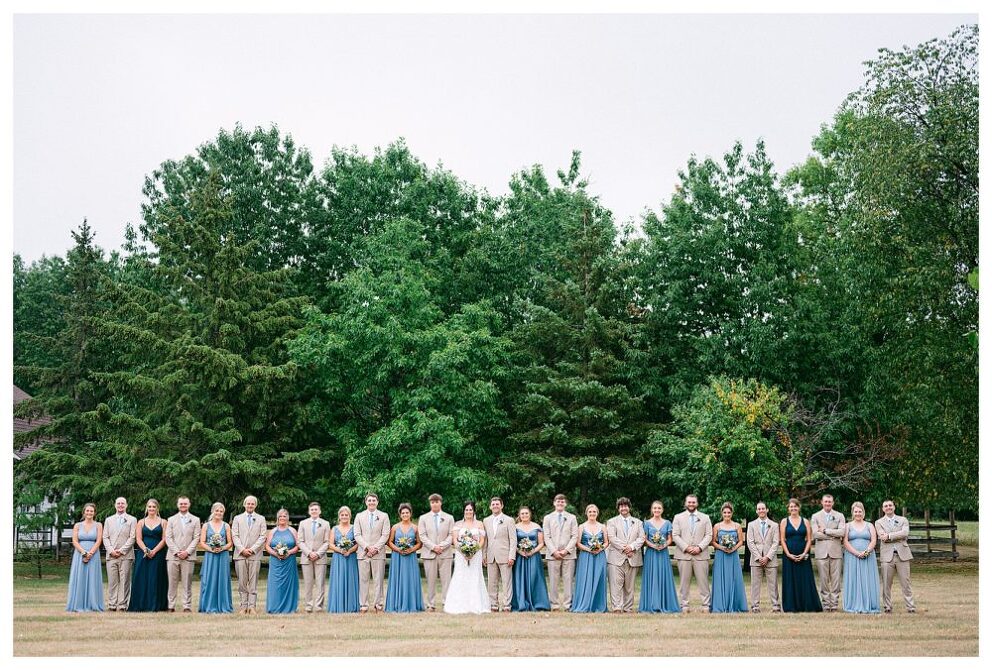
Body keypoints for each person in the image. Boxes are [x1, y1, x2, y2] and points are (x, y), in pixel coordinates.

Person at [444, 500, 489, 614]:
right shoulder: (458, 524)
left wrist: (473, 551)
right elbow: (455, 540)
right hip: (461, 555)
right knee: (461, 576)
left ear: (474, 511)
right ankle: (460, 604)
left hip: (476, 554)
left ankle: (476, 604)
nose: (468, 512)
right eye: (466, 509)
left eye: (470, 510)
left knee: (475, 576)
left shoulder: (479, 524)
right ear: (464, 511)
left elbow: (482, 540)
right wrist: (463, 552)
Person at [671, 494, 712, 613]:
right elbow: (675, 535)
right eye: (689, 502)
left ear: (697, 503)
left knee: (703, 582)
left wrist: (699, 547)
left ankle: (706, 606)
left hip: (701, 555)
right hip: (684, 555)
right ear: (685, 503)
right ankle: (684, 605)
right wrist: (686, 547)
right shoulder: (678, 517)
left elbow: (709, 535)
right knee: (684, 582)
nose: (691, 504)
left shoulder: (705, 517)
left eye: (693, 502)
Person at [780, 498, 822, 613]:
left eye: (795, 506)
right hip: (789, 555)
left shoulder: (805, 521)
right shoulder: (784, 521)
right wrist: (788, 554)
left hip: (803, 554)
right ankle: (791, 605)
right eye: (791, 506)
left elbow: (809, 539)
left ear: (799, 507)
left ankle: (807, 604)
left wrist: (804, 553)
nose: (793, 508)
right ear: (788, 508)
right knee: (790, 580)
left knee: (804, 579)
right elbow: (782, 540)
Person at [875, 500, 916, 614]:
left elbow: (905, 533)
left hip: (903, 555)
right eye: (886, 506)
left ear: (894, 507)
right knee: (886, 583)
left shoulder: (903, 520)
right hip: (887, 556)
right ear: (883, 509)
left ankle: (910, 607)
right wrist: (897, 536)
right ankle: (887, 607)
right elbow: (882, 537)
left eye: (890, 505)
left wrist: (889, 535)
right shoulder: (878, 522)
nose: (888, 507)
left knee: (906, 582)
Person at [639, 500, 680, 613]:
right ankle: (651, 604)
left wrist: (664, 545)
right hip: (651, 554)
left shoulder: (667, 523)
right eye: (655, 508)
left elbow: (670, 539)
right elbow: (644, 539)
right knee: (651, 575)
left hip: (663, 553)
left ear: (662, 510)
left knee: (663, 575)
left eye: (659, 508)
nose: (657, 510)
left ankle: (664, 603)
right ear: (652, 510)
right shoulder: (647, 523)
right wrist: (652, 545)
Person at [128, 498, 169, 612]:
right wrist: (146, 550)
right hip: (143, 554)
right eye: (149, 506)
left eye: (154, 507)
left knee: (156, 578)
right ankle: (140, 604)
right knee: (142, 578)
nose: (151, 509)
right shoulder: (141, 522)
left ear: (157, 508)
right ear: (147, 508)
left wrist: (154, 551)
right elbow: (138, 539)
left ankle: (156, 604)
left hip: (158, 554)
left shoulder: (163, 522)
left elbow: (164, 539)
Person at [606, 496, 644, 613]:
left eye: (626, 506)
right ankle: (617, 607)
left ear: (629, 507)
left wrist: (632, 547)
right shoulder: (611, 522)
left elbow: (641, 538)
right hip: (616, 558)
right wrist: (625, 548)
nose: (624, 508)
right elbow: (612, 538)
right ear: (618, 508)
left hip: (633, 557)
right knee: (615, 585)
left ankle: (628, 608)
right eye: (621, 506)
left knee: (629, 586)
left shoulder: (638, 522)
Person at [418, 493, 455, 612]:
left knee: (446, 580)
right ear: (430, 504)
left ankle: (446, 603)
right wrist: (433, 547)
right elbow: (422, 536)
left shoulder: (449, 518)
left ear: (440, 503)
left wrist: (441, 546)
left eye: (436, 502)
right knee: (430, 580)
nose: (434, 504)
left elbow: (451, 535)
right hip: (429, 554)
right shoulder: (423, 518)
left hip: (445, 553)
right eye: (432, 502)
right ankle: (431, 604)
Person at [385, 502, 424, 612]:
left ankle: (411, 604)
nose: (405, 514)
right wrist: (398, 549)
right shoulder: (395, 527)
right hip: (397, 557)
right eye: (403, 513)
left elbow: (419, 543)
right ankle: (396, 604)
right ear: (400, 514)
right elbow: (389, 542)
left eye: (407, 512)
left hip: (410, 557)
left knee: (410, 579)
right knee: (397, 578)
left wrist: (411, 549)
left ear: (410, 514)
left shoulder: (415, 528)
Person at [842, 501, 880, 614]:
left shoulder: (869, 525)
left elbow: (874, 540)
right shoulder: (847, 526)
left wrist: (866, 552)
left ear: (863, 512)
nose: (858, 513)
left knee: (867, 579)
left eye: (860, 511)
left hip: (868, 557)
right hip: (852, 556)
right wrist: (856, 553)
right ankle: (853, 604)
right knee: (853, 579)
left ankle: (869, 604)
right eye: (856, 511)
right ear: (852, 513)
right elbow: (845, 541)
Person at [231, 495, 267, 614]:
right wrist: (242, 549)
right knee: (242, 582)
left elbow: (263, 536)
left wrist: (252, 549)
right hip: (240, 555)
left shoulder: (261, 519)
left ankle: (252, 606)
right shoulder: (237, 518)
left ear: (255, 505)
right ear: (244, 504)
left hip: (254, 555)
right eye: (248, 503)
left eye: (252, 504)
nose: (250, 505)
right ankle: (243, 606)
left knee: (253, 581)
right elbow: (235, 535)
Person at [542, 493, 578, 611]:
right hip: (553, 555)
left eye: (562, 501)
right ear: (554, 503)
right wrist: (554, 551)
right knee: (553, 581)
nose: (560, 503)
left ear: (565, 504)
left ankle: (568, 605)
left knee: (568, 581)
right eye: (558, 501)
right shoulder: (548, 518)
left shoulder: (572, 517)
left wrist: (566, 550)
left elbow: (574, 536)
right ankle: (555, 605)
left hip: (569, 555)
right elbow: (546, 536)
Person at [710, 502, 748, 613]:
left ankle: (735, 604)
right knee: (720, 579)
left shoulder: (737, 526)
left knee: (734, 578)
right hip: (720, 556)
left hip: (733, 556)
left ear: (732, 513)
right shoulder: (717, 526)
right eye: (725, 512)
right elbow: (713, 542)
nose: (727, 514)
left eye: (729, 512)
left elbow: (741, 541)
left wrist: (733, 548)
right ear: (722, 513)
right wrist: (722, 548)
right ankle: (720, 605)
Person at [355, 492, 390, 613]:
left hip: (378, 553)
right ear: (366, 502)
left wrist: (375, 548)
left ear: (377, 502)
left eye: (374, 500)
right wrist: (367, 547)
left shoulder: (384, 516)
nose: (371, 502)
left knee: (378, 580)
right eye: (369, 500)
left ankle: (378, 604)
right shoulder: (359, 516)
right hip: (363, 553)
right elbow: (357, 534)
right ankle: (363, 605)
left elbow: (385, 534)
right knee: (363, 580)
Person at [66, 502, 104, 612]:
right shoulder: (77, 525)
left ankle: (93, 604)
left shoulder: (98, 525)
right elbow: (74, 541)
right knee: (79, 578)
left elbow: (99, 540)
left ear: (94, 513)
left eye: (91, 511)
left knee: (92, 578)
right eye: (87, 510)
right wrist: (84, 553)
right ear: (84, 512)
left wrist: (90, 553)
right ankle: (78, 604)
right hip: (79, 554)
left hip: (94, 554)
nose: (89, 513)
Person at [811, 493, 846, 612]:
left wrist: (825, 531)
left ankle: (834, 604)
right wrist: (833, 534)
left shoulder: (839, 516)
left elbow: (842, 532)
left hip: (836, 552)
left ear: (833, 503)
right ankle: (826, 604)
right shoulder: (815, 516)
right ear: (822, 502)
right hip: (821, 553)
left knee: (836, 580)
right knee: (824, 580)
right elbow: (815, 534)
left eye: (829, 501)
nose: (827, 503)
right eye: (825, 501)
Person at [165, 495, 200, 613]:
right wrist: (177, 552)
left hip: (188, 557)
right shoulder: (171, 519)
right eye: (181, 503)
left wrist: (187, 552)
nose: (183, 505)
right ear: (177, 505)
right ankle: (171, 605)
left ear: (189, 505)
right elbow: (168, 537)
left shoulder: (195, 520)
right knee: (172, 582)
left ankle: (187, 606)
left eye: (185, 503)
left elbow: (196, 538)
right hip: (173, 556)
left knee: (187, 582)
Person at [511, 506, 550, 611]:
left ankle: (538, 603)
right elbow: (512, 542)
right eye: (522, 514)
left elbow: (541, 543)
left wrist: (533, 551)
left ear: (530, 514)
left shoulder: (536, 526)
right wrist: (520, 551)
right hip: (520, 557)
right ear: (519, 515)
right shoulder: (515, 527)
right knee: (520, 579)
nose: (524, 515)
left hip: (534, 557)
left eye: (526, 513)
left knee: (534, 578)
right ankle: (520, 603)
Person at [572, 503, 609, 613]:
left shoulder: (603, 526)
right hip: (586, 556)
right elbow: (578, 543)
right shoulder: (581, 527)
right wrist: (589, 549)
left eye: (594, 512)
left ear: (597, 513)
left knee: (598, 578)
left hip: (600, 556)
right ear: (586, 513)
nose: (592, 513)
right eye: (590, 512)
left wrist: (600, 548)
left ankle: (598, 605)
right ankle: (584, 603)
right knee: (586, 579)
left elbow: (606, 542)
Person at [198, 502, 234, 613]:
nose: (219, 513)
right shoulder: (206, 526)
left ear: (223, 513)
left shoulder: (226, 526)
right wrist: (211, 549)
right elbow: (202, 542)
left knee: (223, 579)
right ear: (212, 511)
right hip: (210, 556)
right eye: (217, 510)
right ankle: (209, 605)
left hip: (223, 556)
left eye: (221, 511)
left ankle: (223, 606)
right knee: (209, 579)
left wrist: (222, 548)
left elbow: (230, 543)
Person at [483, 496, 517, 612]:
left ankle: (507, 605)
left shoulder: (509, 520)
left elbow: (513, 540)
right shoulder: (486, 520)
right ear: (490, 507)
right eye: (493, 504)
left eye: (497, 504)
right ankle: (493, 605)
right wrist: (484, 555)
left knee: (507, 582)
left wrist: (511, 556)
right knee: (492, 582)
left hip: (505, 555)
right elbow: (486, 540)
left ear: (502, 506)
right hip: (491, 556)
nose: (495, 506)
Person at [102, 496, 136, 611]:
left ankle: (122, 605)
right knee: (112, 582)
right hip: (111, 556)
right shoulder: (108, 520)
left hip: (126, 555)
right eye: (118, 503)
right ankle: (112, 604)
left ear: (126, 505)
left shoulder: (132, 520)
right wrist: (111, 550)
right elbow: (105, 537)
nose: (120, 505)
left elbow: (132, 537)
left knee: (125, 581)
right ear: (115, 505)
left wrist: (121, 551)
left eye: (122, 503)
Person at [745, 501, 780, 613]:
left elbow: (776, 542)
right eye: (759, 509)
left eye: (763, 508)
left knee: (773, 583)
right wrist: (758, 557)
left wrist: (767, 557)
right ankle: (755, 606)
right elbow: (750, 542)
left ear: (767, 510)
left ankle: (775, 605)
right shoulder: (751, 525)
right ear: (756, 511)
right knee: (755, 584)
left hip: (771, 559)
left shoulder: (774, 525)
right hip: (756, 559)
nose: (761, 510)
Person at [265, 508, 300, 614]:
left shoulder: (293, 531)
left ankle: (289, 607)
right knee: (275, 585)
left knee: (289, 584)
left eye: (284, 516)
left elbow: (298, 546)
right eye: (280, 516)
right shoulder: (273, 531)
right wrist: (275, 553)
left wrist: (289, 552)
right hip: (275, 562)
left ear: (287, 518)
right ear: (277, 518)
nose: (282, 518)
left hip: (289, 561)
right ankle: (274, 607)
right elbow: (267, 546)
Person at [298, 501, 330, 613]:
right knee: (308, 583)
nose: (314, 511)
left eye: (316, 509)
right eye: (312, 510)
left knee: (320, 583)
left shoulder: (325, 524)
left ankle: (319, 606)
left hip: (320, 557)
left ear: (320, 511)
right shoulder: (303, 523)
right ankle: (308, 605)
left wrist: (317, 553)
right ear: (309, 511)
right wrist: (309, 553)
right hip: (306, 557)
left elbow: (327, 542)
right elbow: (300, 541)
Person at [327, 506, 360, 613]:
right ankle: (338, 605)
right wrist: (340, 550)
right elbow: (330, 544)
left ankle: (351, 606)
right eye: (342, 515)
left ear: (350, 516)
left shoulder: (355, 528)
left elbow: (358, 543)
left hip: (351, 557)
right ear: (339, 516)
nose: (344, 517)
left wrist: (349, 550)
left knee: (351, 580)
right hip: (338, 558)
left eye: (346, 515)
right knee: (338, 580)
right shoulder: (334, 529)